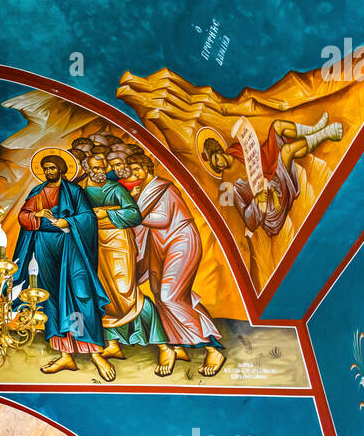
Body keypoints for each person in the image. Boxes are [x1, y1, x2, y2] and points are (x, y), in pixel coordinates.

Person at [12, 150, 116, 381]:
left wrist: (67, 221)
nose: (48, 172)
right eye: (45, 168)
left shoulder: (75, 192)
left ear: (61, 168)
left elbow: (88, 218)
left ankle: (93, 351)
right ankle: (65, 353)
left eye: (52, 167)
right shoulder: (37, 192)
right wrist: (36, 215)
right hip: (44, 247)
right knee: (53, 299)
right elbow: (24, 217)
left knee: (80, 295)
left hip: (71, 244)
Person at [134, 156, 224, 376]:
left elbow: (162, 219)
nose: (132, 174)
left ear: (146, 168)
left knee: (170, 296)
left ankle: (212, 348)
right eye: (129, 170)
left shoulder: (163, 188)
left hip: (181, 240)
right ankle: (176, 344)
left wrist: (129, 213)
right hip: (158, 244)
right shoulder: (142, 192)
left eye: (136, 169)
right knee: (163, 296)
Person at [202, 115, 343, 236]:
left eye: (216, 160)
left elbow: (258, 157)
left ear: (219, 151)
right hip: (270, 207)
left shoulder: (234, 149)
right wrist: (256, 201)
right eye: (216, 166)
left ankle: (313, 130)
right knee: (287, 151)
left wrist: (265, 148)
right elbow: (248, 221)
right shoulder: (230, 182)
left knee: (277, 126)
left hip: (270, 174)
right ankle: (325, 134)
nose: (219, 165)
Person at [82, 155, 163, 361]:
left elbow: (134, 215)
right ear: (87, 168)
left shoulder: (115, 189)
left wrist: (106, 214)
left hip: (119, 244)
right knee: (105, 294)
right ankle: (113, 344)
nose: (100, 172)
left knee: (125, 292)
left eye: (102, 169)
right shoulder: (81, 191)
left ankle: (162, 344)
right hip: (95, 245)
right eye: (95, 169)